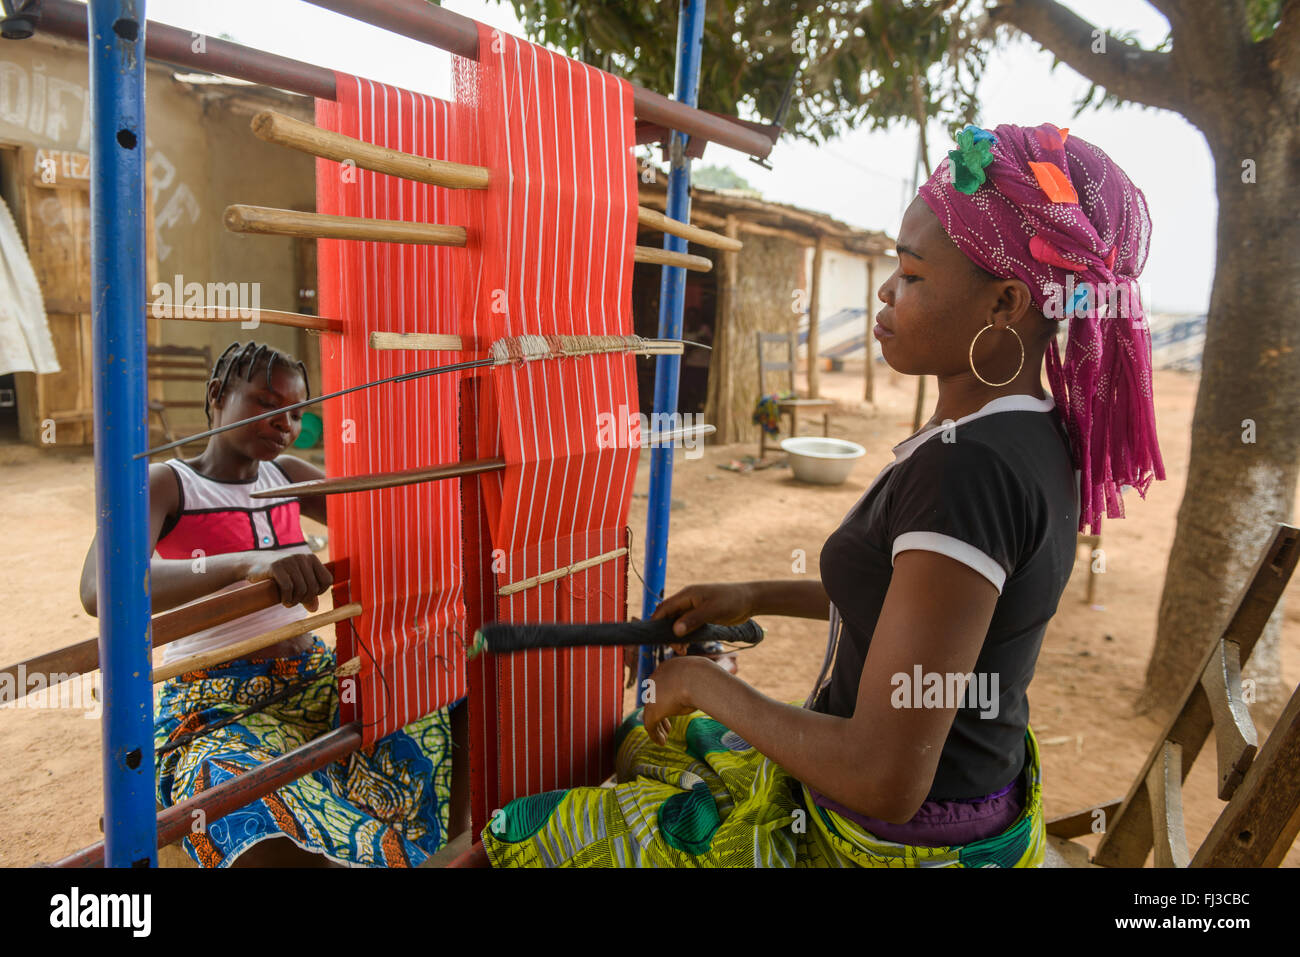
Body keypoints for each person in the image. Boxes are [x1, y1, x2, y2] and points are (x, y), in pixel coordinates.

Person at [479, 121, 1166, 867]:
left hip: (882, 843)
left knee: (520, 833)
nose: (885, 289)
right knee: (638, 752)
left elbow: (883, 777)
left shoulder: (967, 473)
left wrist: (707, 686)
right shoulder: (1032, 433)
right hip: (974, 799)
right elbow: (921, 603)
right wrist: (755, 592)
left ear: (1003, 304)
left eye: (911, 274)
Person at [80, 341, 468, 867]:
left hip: (311, 679)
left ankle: (448, 849)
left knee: (440, 696)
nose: (284, 422)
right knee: (232, 793)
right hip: (213, 699)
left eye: (296, 412)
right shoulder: (170, 484)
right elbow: (100, 590)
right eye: (266, 403)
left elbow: (383, 524)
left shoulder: (285, 475)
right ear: (218, 394)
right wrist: (246, 565)